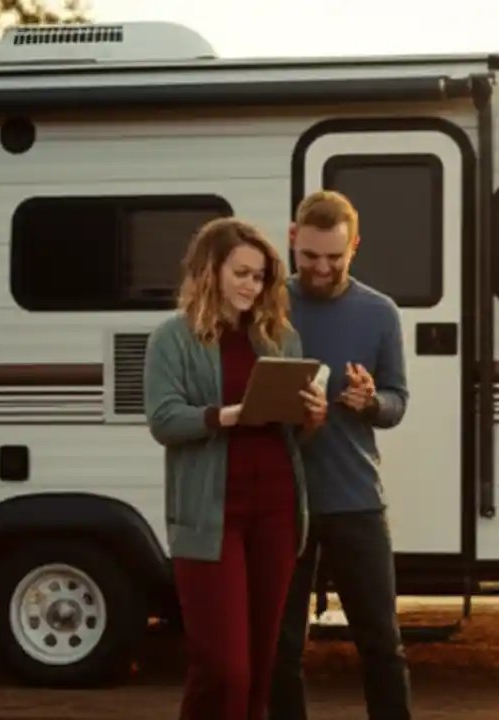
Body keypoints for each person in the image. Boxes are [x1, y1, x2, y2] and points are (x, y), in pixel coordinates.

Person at [142, 217, 328, 720]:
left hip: (278, 511)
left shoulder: (279, 338)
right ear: (210, 270)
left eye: (260, 276)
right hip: (209, 516)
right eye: (241, 272)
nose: (251, 285)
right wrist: (228, 416)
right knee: (224, 669)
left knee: (262, 667)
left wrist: (312, 417)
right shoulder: (172, 339)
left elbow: (291, 433)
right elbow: (162, 420)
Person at [268, 190, 412, 720]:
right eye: (309, 257)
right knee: (281, 648)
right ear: (292, 240)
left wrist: (371, 402)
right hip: (285, 500)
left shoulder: (380, 312)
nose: (321, 268)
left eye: (335, 257)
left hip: (356, 499)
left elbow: (399, 402)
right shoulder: (268, 304)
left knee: (380, 641)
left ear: (355, 246)